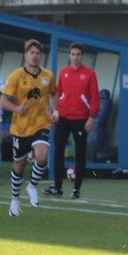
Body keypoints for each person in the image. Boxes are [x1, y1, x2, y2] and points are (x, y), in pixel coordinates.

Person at [0, 39, 58, 217]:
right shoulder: (16, 76)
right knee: (19, 165)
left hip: (41, 123)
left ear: (41, 56)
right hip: (20, 128)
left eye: (37, 53)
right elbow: (3, 101)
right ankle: (15, 199)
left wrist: (55, 111)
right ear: (26, 55)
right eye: (31, 53)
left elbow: (54, 93)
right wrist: (17, 108)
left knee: (42, 155)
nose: (34, 56)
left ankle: (32, 185)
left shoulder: (48, 76)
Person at [48, 43, 100, 199]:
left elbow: (95, 98)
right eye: (73, 54)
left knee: (80, 153)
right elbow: (58, 94)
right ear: (69, 55)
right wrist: (54, 113)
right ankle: (57, 187)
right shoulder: (64, 72)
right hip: (63, 117)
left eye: (78, 54)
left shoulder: (89, 74)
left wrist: (92, 117)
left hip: (81, 119)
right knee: (58, 151)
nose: (75, 57)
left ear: (82, 56)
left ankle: (76, 189)